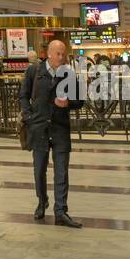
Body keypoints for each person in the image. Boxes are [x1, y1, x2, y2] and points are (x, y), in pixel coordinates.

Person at [19, 39, 83, 226]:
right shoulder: (33, 71)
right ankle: (42, 200)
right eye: (58, 54)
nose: (61, 57)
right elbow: (23, 95)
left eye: (64, 54)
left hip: (60, 128)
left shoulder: (69, 75)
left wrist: (69, 103)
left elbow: (80, 100)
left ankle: (60, 210)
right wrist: (28, 116)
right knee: (39, 170)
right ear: (48, 53)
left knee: (61, 171)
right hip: (38, 127)